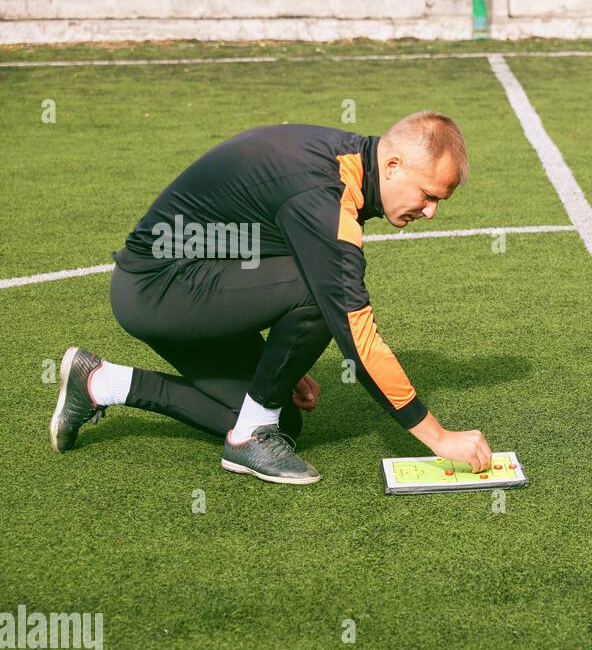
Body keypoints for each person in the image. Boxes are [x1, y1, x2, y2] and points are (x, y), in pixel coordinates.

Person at [49, 112, 491, 484]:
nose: (431, 211)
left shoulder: (345, 160)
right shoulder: (324, 196)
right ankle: (248, 440)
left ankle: (99, 383)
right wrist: (438, 437)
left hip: (186, 280)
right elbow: (358, 338)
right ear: (392, 166)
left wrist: (285, 359)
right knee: (322, 290)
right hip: (156, 288)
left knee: (281, 421)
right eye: (429, 195)